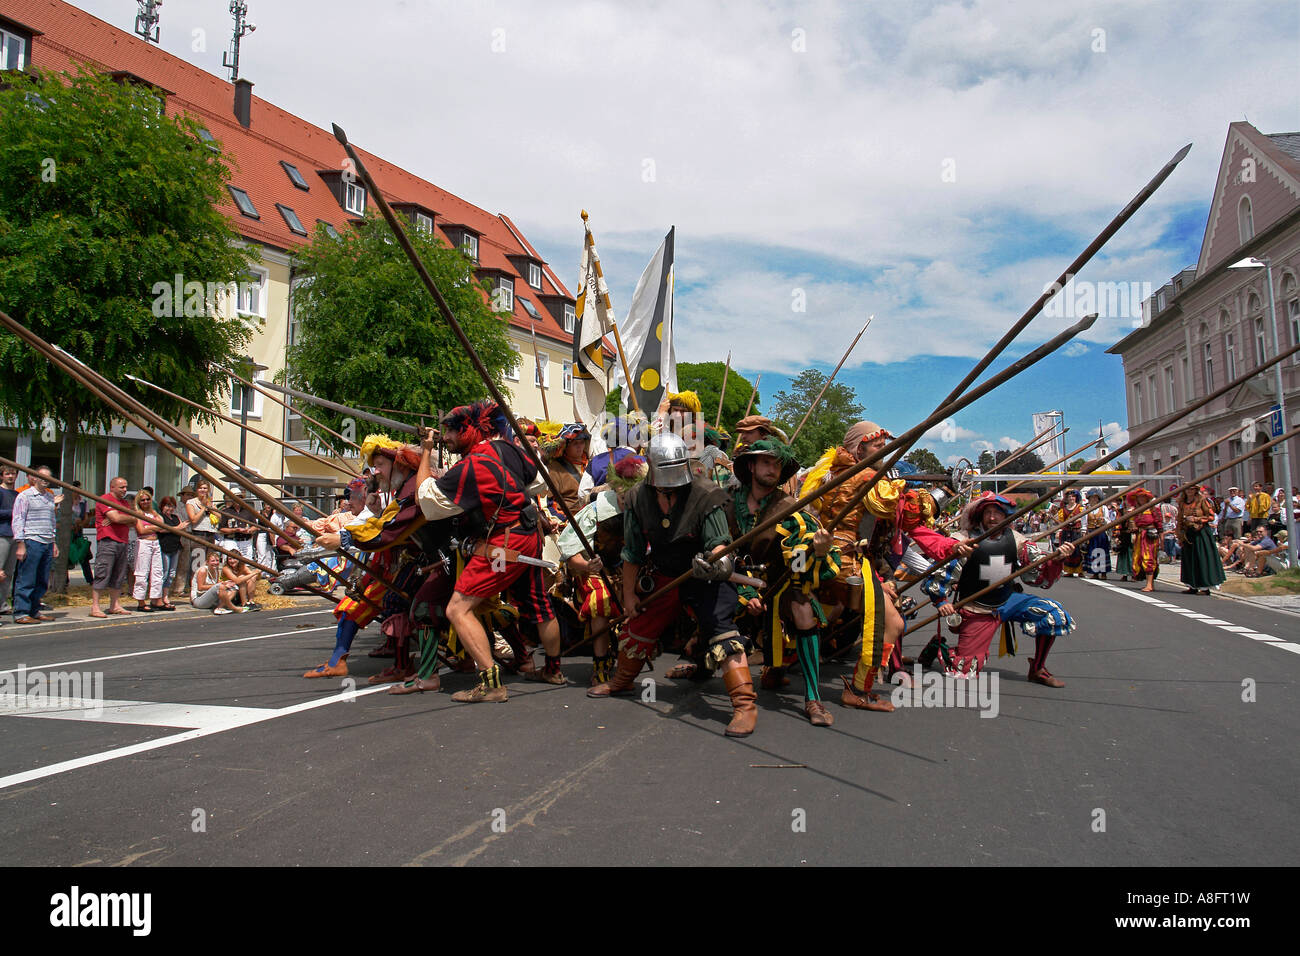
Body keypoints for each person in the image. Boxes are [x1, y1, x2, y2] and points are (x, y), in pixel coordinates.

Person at [588, 431, 759, 737]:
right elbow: (633, 553)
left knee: (722, 633)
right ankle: (621, 682)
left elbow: (720, 544)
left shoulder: (706, 494)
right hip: (665, 574)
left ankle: (744, 706)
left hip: (704, 577)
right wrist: (629, 597)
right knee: (639, 624)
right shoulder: (638, 497)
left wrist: (716, 560)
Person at [415, 403, 567, 701]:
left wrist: (424, 452)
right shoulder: (508, 449)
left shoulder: (469, 466)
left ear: (468, 430)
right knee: (540, 606)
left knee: (457, 608)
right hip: (529, 533)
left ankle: (491, 684)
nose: (446, 437)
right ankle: (553, 670)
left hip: (504, 544)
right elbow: (537, 484)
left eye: (450, 431)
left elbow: (427, 503)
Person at [728, 439, 840, 727]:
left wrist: (815, 550)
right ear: (751, 466)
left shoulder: (791, 507)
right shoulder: (728, 502)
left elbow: (798, 566)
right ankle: (701, 665)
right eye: (766, 461)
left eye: (777, 463)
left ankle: (813, 698)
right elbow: (718, 550)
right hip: (734, 581)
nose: (772, 468)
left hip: (779, 584)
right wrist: (744, 587)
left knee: (803, 607)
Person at [910, 492, 1075, 686]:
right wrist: (941, 601)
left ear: (1006, 515)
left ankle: (1038, 668)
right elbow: (939, 574)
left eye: (997, 512)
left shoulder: (1016, 539)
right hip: (976, 606)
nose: (992, 517)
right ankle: (938, 647)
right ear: (979, 515)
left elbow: (1037, 572)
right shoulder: (963, 540)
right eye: (987, 512)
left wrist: (1056, 559)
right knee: (964, 670)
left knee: (1053, 614)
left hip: (1008, 599)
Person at [801, 420, 906, 712]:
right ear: (859, 448)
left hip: (819, 555)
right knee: (889, 623)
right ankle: (859, 689)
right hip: (846, 562)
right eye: (876, 446)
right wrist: (898, 488)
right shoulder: (867, 475)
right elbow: (885, 506)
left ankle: (778, 667)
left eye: (884, 447)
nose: (882, 451)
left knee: (809, 611)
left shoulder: (827, 470)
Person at [555, 454, 648, 685]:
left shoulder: (644, 508)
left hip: (623, 569)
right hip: (589, 570)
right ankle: (600, 663)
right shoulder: (596, 510)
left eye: (632, 496)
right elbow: (569, 550)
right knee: (600, 599)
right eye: (624, 496)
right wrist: (587, 565)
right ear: (616, 488)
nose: (627, 501)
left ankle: (631, 655)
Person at [10, 466, 60, 624]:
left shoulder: (50, 497)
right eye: (43, 477)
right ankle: (21, 612)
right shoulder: (25, 496)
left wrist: (53, 542)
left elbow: (52, 522)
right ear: (35, 478)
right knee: (27, 578)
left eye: (49, 478)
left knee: (42, 579)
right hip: (32, 540)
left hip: (47, 541)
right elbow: (18, 519)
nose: (46, 481)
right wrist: (20, 544)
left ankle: (34, 609)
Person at [1177, 485, 1225, 594]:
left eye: (1192, 489)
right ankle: (1192, 585)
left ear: (1195, 491)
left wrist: (1197, 519)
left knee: (1201, 558)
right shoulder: (1182, 502)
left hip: (1201, 533)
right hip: (1188, 533)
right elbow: (1179, 518)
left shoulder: (1202, 501)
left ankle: (1204, 587)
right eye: (1187, 489)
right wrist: (1179, 533)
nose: (1189, 491)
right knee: (1189, 559)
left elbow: (1211, 516)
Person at [131, 488, 169, 612]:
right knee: (142, 572)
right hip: (144, 542)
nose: (145, 502)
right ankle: (141, 601)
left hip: (155, 542)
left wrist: (152, 527)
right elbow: (141, 530)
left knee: (158, 572)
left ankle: (156, 599)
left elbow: (162, 527)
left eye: (148, 499)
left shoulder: (154, 513)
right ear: (139, 502)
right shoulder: (138, 514)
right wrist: (155, 527)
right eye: (142, 500)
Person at [184, 480, 220, 596]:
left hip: (210, 535)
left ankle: (207, 589)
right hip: (198, 535)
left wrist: (211, 507)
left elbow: (220, 516)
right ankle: (194, 591)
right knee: (197, 564)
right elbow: (193, 520)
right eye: (201, 488)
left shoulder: (210, 502)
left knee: (211, 563)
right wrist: (204, 508)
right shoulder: (191, 502)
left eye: (205, 488)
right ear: (197, 490)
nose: (203, 490)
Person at [1126, 487, 1162, 593]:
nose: (1141, 499)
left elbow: (1159, 524)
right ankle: (1148, 582)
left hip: (1150, 536)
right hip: (1139, 536)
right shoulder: (1136, 510)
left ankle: (1150, 584)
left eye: (1143, 497)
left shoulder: (1153, 509)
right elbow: (1132, 524)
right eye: (1139, 497)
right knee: (1138, 558)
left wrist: (1162, 538)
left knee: (1149, 558)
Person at [0, 465, 20, 614]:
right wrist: (13, 512)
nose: (10, 476)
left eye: (13, 474)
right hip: (2, 535)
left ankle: (3, 604)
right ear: (2, 476)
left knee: (8, 573)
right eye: (7, 474)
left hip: (14, 535)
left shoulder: (16, 494)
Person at [1053, 491, 1086, 577]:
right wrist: (1059, 531)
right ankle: (1069, 571)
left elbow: (1084, 519)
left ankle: (1080, 570)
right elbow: (1061, 522)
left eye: (1073, 496)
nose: (1071, 498)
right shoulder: (1063, 510)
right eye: (1069, 496)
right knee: (1067, 551)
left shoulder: (1081, 508)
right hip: (1066, 532)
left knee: (1078, 551)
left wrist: (1077, 521)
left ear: (1076, 498)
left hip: (1076, 531)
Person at [1083, 491, 1111, 579]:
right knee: (1093, 552)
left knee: (1102, 551)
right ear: (1089, 499)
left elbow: (1108, 520)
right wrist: (1084, 534)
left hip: (1101, 532)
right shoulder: (1086, 508)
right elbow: (1084, 522)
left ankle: (1103, 573)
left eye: (1096, 498)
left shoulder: (1103, 508)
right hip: (1091, 532)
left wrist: (1104, 520)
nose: (1094, 499)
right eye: (1092, 497)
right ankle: (1095, 572)